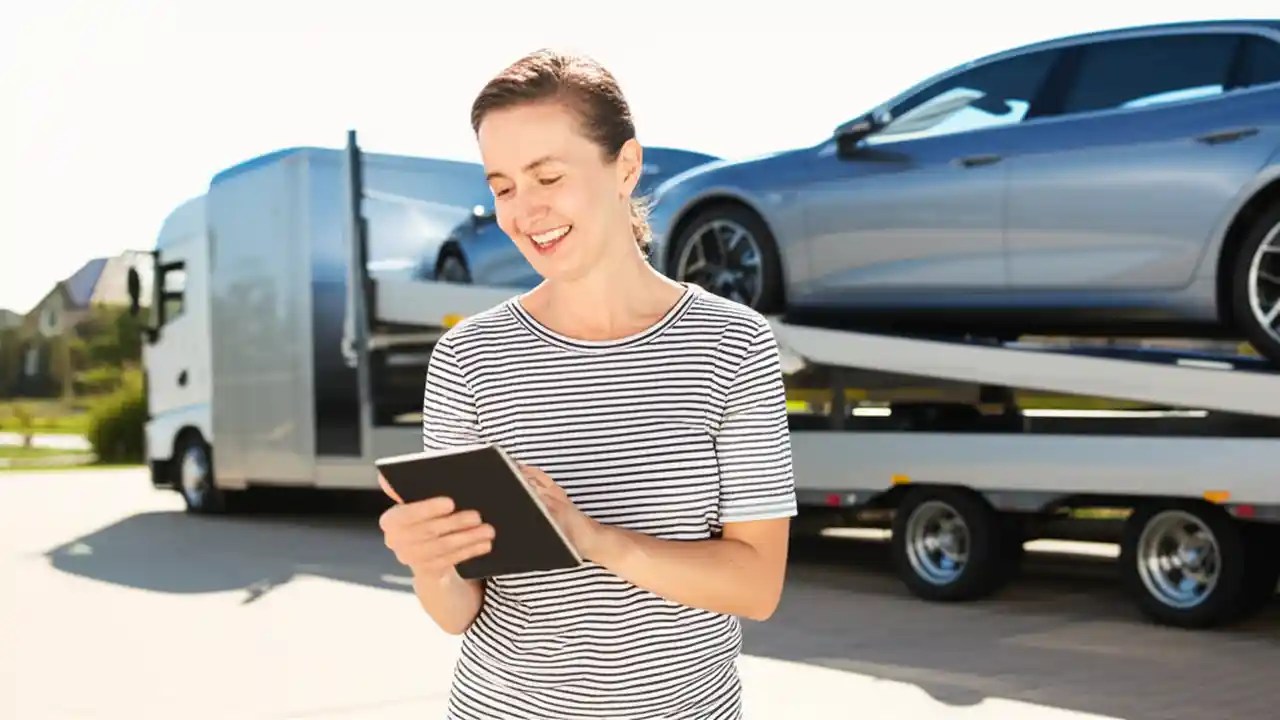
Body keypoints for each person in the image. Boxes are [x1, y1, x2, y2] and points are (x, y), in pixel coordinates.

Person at [377, 48, 797, 720]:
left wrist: (593, 537)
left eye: (548, 176)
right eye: (504, 186)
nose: (525, 211)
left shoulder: (731, 345)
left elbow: (756, 584)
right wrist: (431, 563)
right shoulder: (468, 358)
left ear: (624, 166)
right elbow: (459, 613)